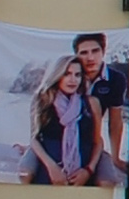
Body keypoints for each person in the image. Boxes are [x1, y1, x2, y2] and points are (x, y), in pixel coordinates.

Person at [23, 56, 101, 185]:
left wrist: (88, 170)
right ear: (57, 75)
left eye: (77, 75)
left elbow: (98, 142)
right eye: (67, 74)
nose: (73, 80)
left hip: (81, 173)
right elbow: (34, 138)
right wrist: (52, 167)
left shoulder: (91, 103)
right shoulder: (42, 99)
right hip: (50, 169)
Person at [72, 31, 129, 185]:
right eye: (84, 53)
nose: (90, 58)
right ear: (76, 55)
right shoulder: (70, 76)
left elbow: (115, 121)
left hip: (92, 140)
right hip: (65, 137)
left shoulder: (115, 79)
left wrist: (116, 157)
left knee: (108, 182)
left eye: (95, 51)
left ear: (103, 52)